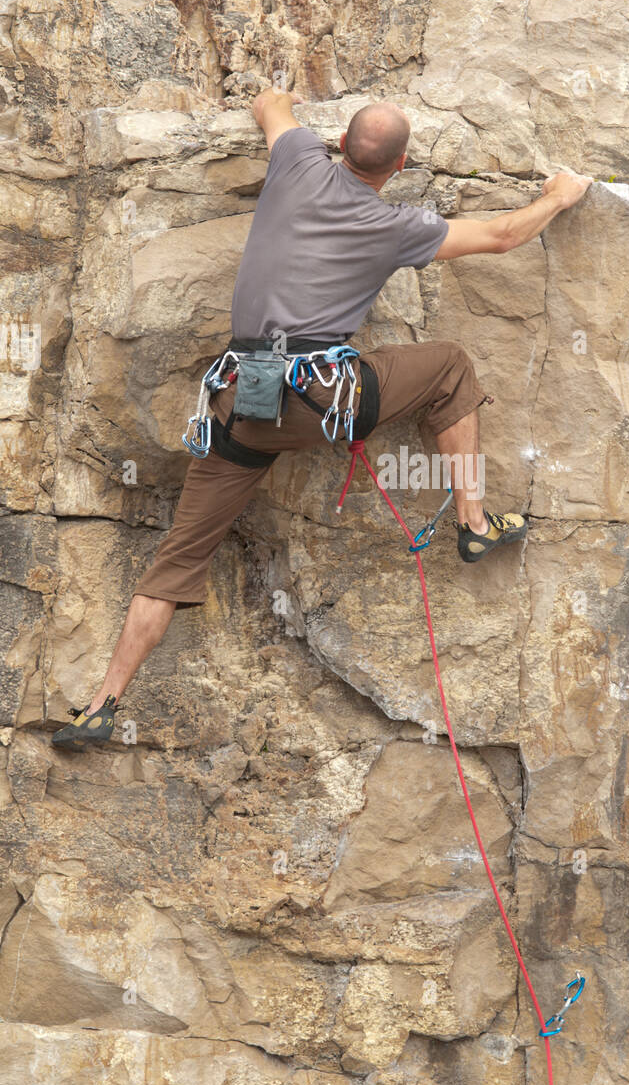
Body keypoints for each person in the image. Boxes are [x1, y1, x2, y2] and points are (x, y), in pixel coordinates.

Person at [51, 90, 592, 751]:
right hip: (323, 400)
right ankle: (474, 524)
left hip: (240, 405)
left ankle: (104, 702)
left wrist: (287, 104)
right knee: (449, 364)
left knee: (176, 560)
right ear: (397, 167)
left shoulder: (297, 160)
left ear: (338, 141)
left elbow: (269, 104)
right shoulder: (397, 225)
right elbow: (504, 235)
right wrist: (559, 195)